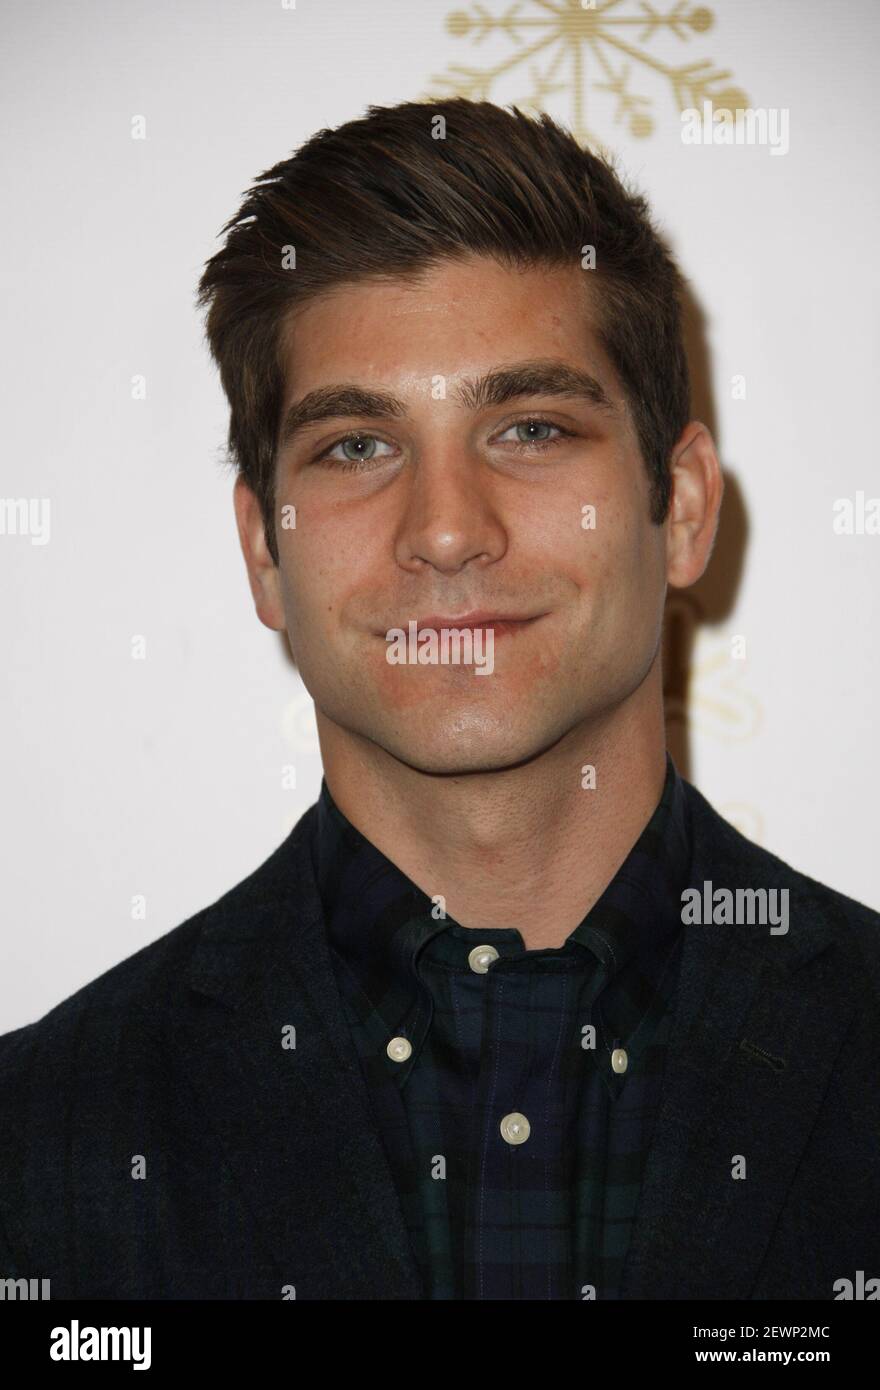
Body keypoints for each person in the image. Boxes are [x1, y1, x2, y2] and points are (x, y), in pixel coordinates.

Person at [1, 98, 878, 1301]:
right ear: (265, 552)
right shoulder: (35, 1145)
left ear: (677, 507)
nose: (448, 530)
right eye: (358, 445)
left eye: (528, 426)